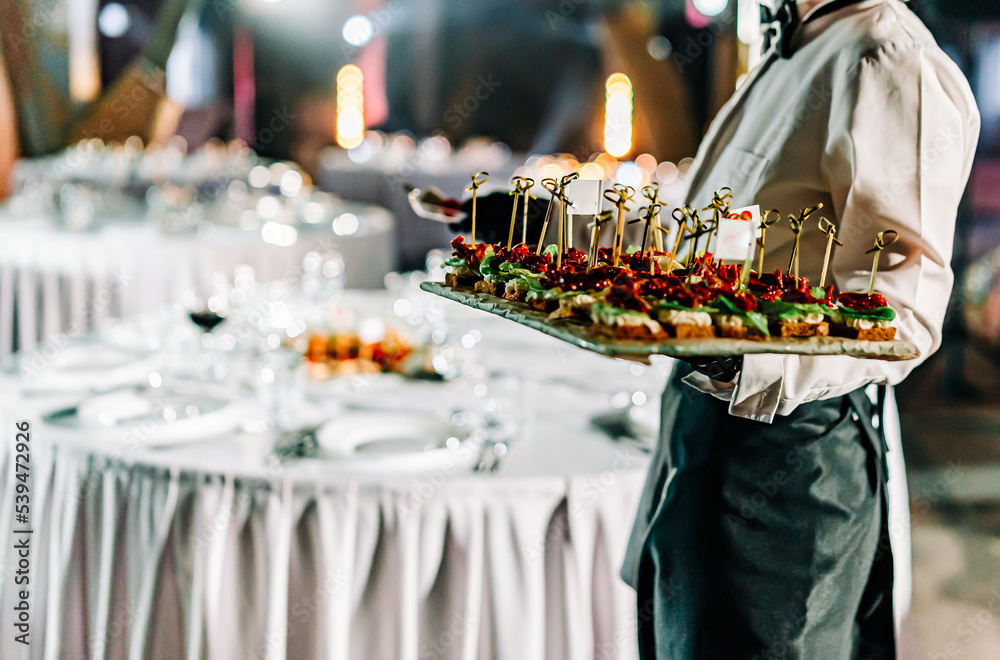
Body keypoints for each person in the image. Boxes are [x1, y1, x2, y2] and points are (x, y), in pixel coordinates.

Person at [621, 0, 980, 658]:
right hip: (700, 432)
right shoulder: (797, 39)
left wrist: (746, 363)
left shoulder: (888, 57)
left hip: (791, 465)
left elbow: (904, 311)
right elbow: (711, 233)